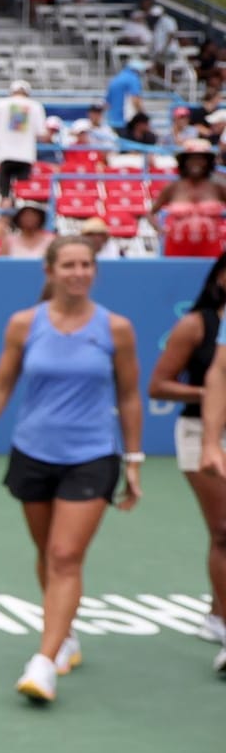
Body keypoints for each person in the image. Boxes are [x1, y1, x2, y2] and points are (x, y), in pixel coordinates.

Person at [0, 236, 143, 704]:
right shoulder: (23, 324)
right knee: (46, 554)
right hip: (32, 454)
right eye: (69, 265)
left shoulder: (116, 329)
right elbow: (0, 386)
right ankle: (66, 634)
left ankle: (43, 661)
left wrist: (133, 460)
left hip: (93, 456)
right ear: (50, 271)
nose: (79, 273)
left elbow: (130, 396)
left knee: (65, 555)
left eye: (86, 265)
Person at [151, 252, 226, 667]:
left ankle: (217, 611)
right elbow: (158, 385)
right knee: (223, 529)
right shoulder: (196, 325)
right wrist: (212, 397)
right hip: (200, 434)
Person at [0, 80, 48, 199]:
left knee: (4, 193)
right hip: (26, 155)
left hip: (5, 154)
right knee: (22, 193)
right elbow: (42, 134)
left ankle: (4, 209)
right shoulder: (35, 106)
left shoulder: (1, 104)